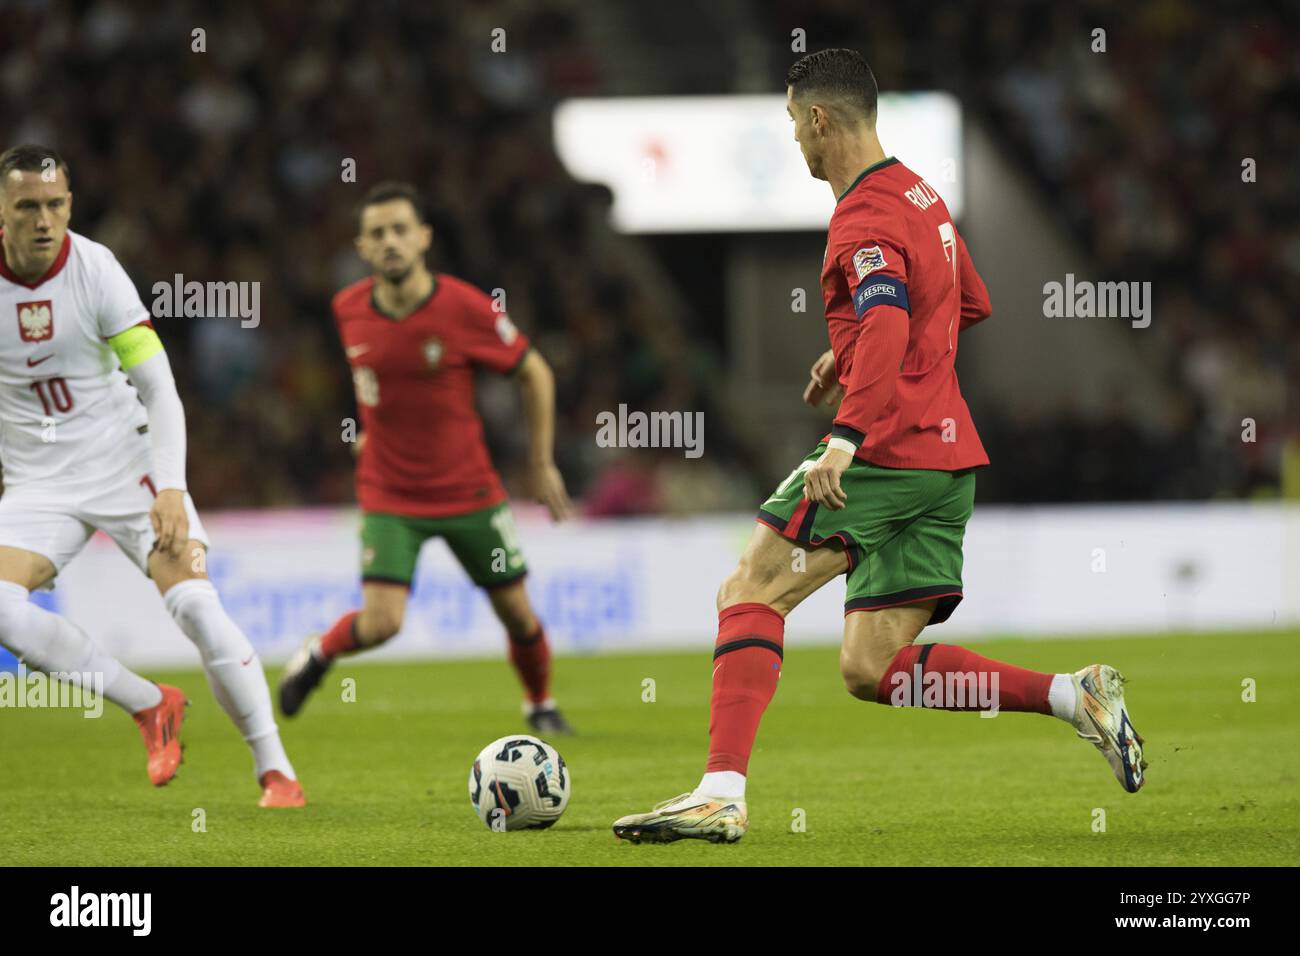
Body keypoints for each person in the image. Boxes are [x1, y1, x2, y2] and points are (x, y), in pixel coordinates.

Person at [612, 50, 1146, 845]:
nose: (794, 139)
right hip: (948, 461)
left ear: (821, 119)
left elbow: (895, 320)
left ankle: (720, 792)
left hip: (884, 456)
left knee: (750, 591)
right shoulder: (922, 195)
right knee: (872, 669)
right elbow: (970, 302)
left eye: (794, 121)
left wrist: (845, 438)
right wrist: (858, 350)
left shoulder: (861, 214)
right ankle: (1076, 695)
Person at [0, 144, 304, 808]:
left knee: (195, 605)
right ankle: (148, 704)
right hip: (37, 485)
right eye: (28, 206)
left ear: (70, 204)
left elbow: (159, 388)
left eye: (55, 204)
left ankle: (276, 769)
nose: (44, 220)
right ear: (3, 210)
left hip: (125, 462)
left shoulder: (96, 270)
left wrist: (170, 485)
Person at [279, 182, 576, 736]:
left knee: (517, 613)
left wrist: (541, 462)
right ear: (361, 248)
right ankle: (318, 655)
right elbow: (372, 383)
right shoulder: (347, 310)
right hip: (391, 494)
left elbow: (535, 370)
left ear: (423, 238)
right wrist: (365, 433)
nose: (390, 241)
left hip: (470, 491)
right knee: (383, 623)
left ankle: (540, 703)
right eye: (377, 234)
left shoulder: (465, 307)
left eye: (399, 230)